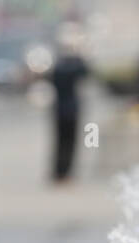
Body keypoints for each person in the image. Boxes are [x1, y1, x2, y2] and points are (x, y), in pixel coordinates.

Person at [50, 24, 89, 182]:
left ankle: (59, 172)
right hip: (70, 109)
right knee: (69, 142)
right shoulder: (72, 66)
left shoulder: (58, 66)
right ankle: (63, 172)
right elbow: (85, 71)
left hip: (60, 109)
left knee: (60, 142)